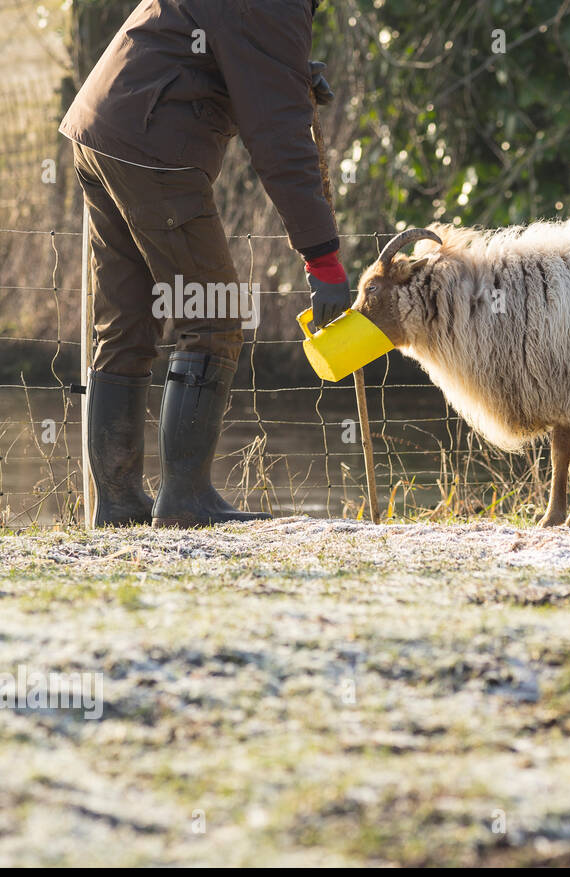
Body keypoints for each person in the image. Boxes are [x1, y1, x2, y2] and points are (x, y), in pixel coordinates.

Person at [59, 0, 351, 528]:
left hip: (101, 127)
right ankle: (186, 500)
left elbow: (216, 35)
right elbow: (280, 138)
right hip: (152, 148)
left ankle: (119, 504)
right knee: (215, 316)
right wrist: (323, 259)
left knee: (124, 323)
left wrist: (289, 71)